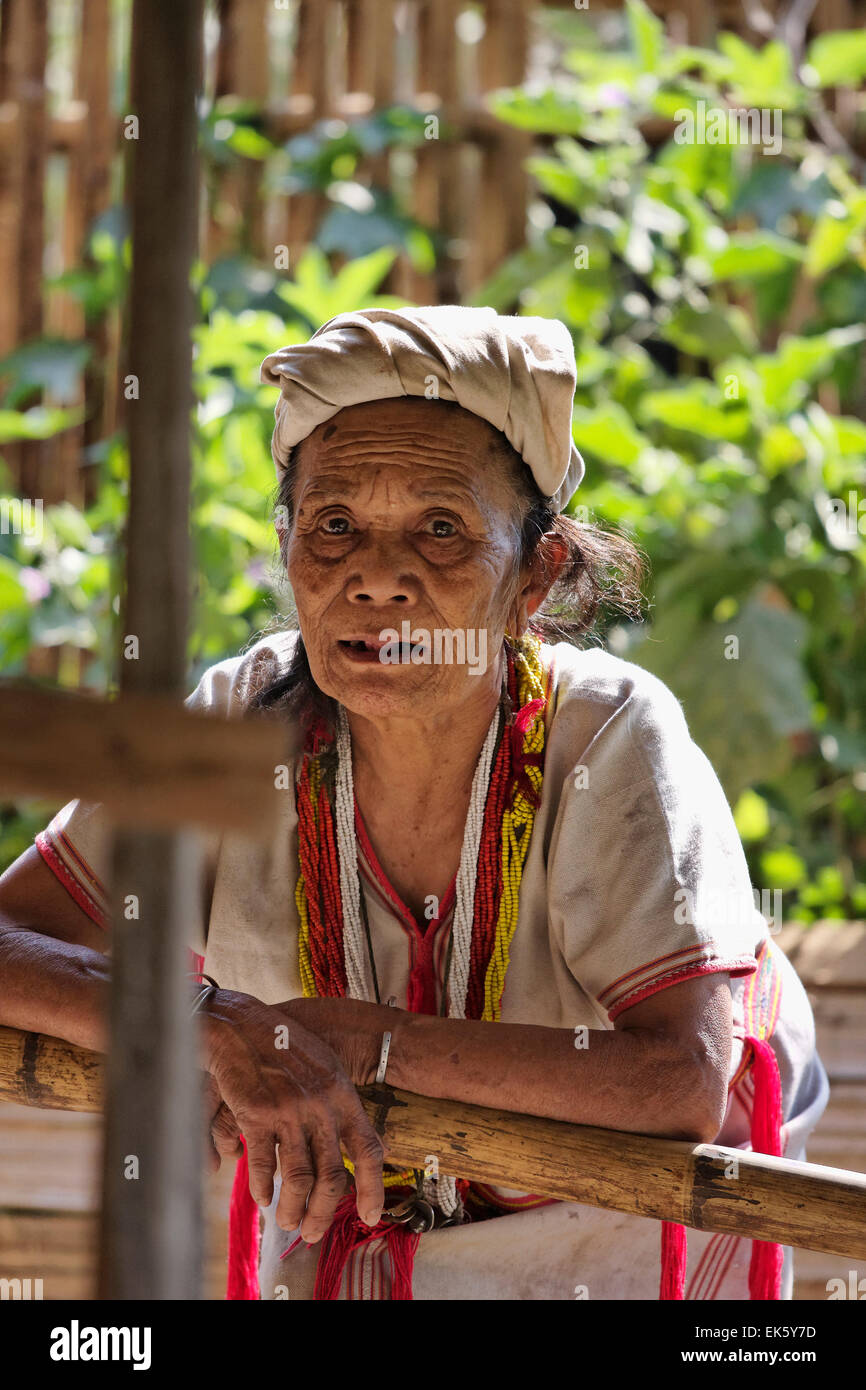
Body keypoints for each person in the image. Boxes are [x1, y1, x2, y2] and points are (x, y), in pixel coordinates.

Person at [0, 306, 829, 1300]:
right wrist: (207, 1023)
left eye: (438, 529)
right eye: (333, 526)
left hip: (628, 1215)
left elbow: (680, 1083)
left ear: (534, 574)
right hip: (357, 1214)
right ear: (288, 552)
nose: (376, 578)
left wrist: (360, 1043)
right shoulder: (238, 721)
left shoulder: (609, 740)